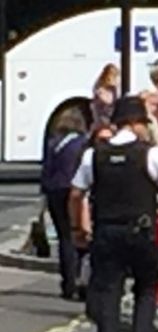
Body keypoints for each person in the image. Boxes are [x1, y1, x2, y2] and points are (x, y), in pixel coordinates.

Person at [68, 97, 158, 332]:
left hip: (106, 230)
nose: (146, 128)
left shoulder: (94, 154)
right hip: (141, 230)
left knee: (109, 291)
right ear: (134, 123)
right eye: (144, 122)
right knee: (146, 287)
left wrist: (77, 228)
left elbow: (75, 193)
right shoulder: (149, 153)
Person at [41, 108, 90, 301]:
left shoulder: (54, 143)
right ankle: (80, 280)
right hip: (74, 191)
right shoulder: (82, 144)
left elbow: (46, 170)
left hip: (54, 191)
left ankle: (67, 283)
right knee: (79, 235)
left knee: (64, 237)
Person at [91, 64, 119, 130]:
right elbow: (108, 101)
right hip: (102, 118)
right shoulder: (99, 88)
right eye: (113, 76)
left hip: (111, 117)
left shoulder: (113, 89)